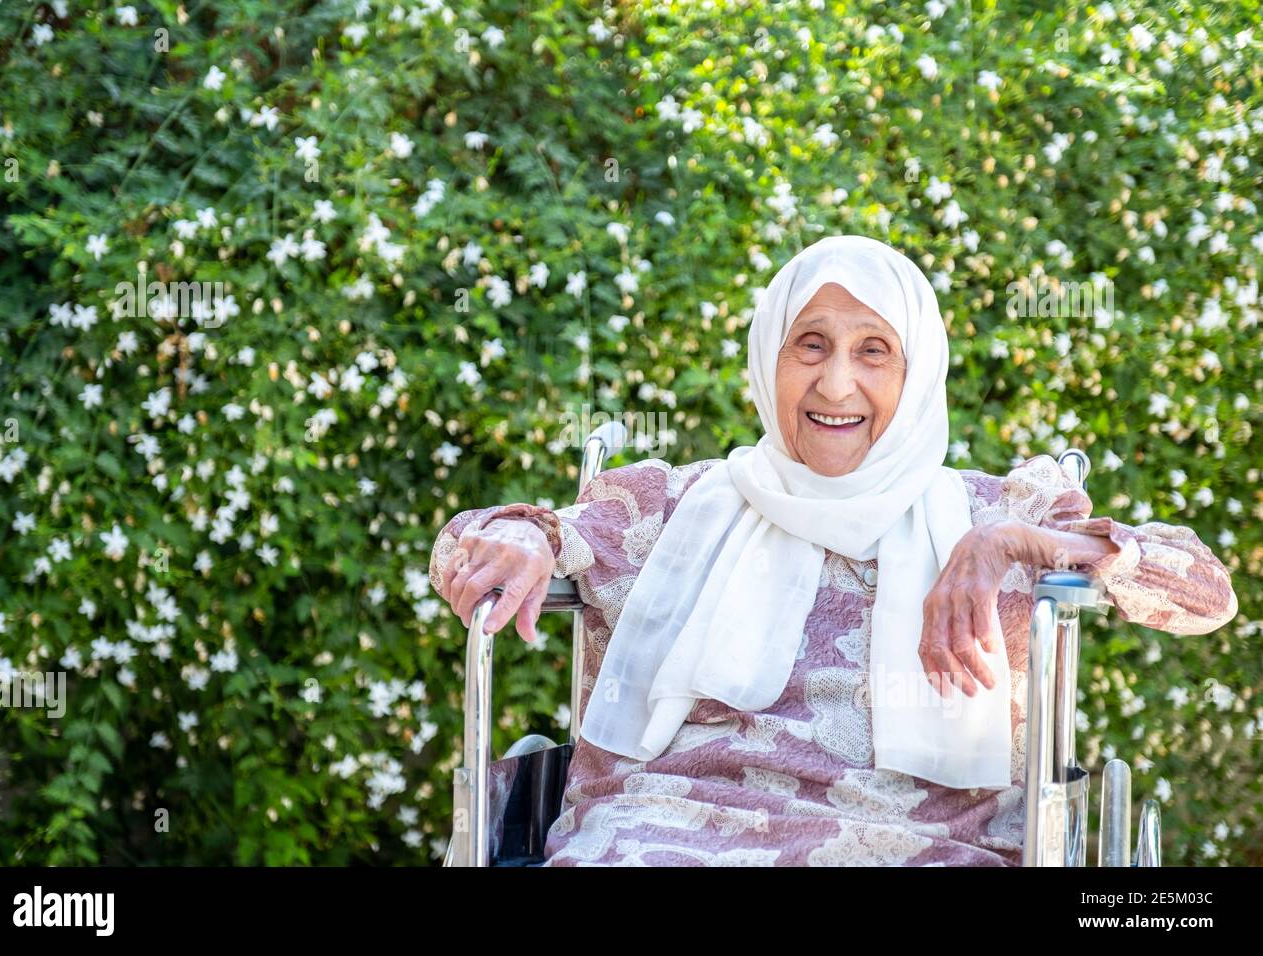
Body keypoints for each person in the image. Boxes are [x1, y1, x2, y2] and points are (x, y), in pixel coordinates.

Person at [429, 235, 1239, 866]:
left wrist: (1012, 542)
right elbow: (469, 543)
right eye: (810, 345)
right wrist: (518, 536)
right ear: (769, 358)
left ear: (918, 372)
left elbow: (1206, 594)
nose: (837, 385)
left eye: (873, 351)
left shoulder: (994, 512)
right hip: (659, 833)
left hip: (924, 847)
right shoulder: (675, 505)